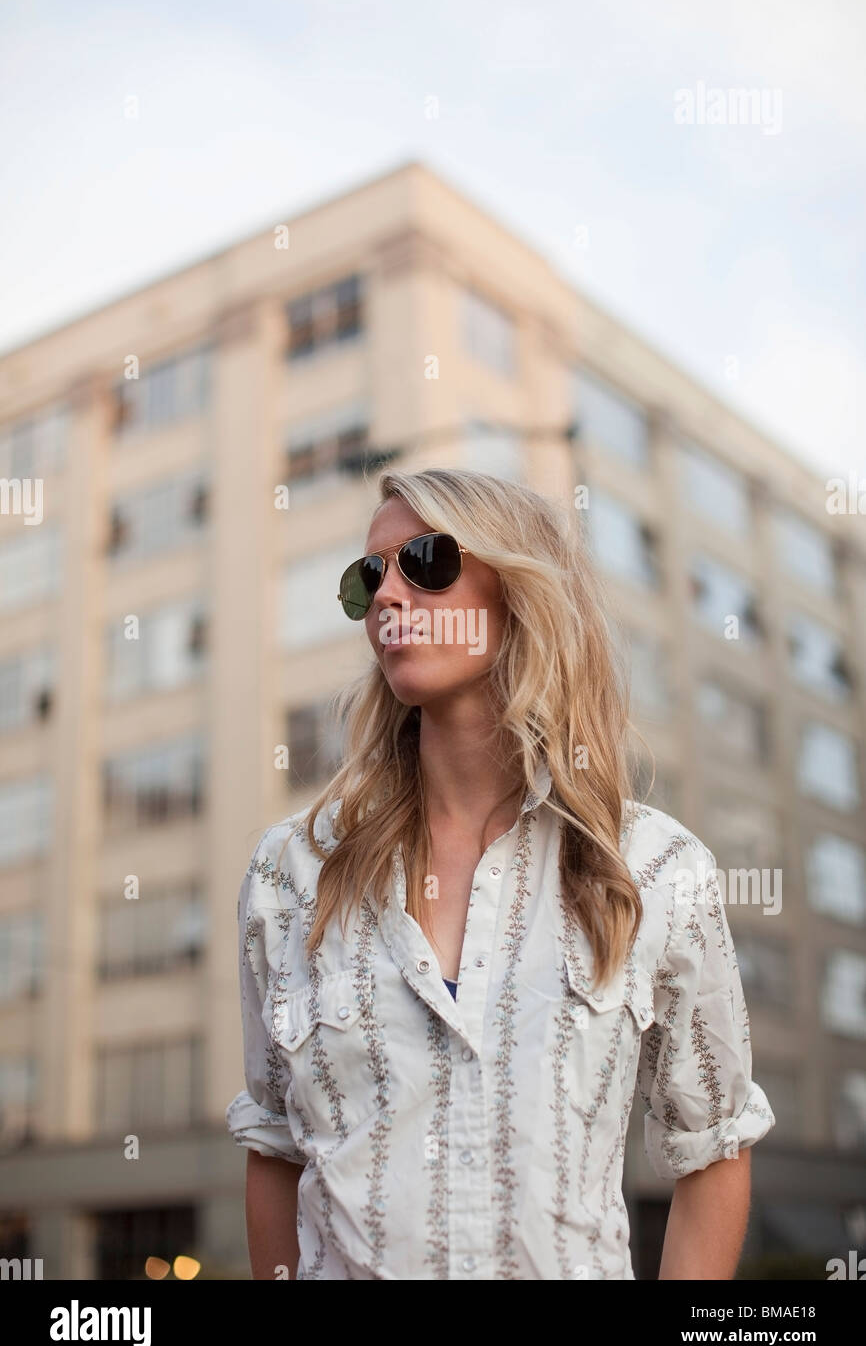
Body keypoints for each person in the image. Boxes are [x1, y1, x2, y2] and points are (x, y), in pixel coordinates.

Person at [225, 466, 776, 1280]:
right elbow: (274, 1146)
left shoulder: (657, 869)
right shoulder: (290, 871)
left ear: (520, 590)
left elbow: (713, 1145)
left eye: (427, 561)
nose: (387, 596)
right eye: (368, 577)